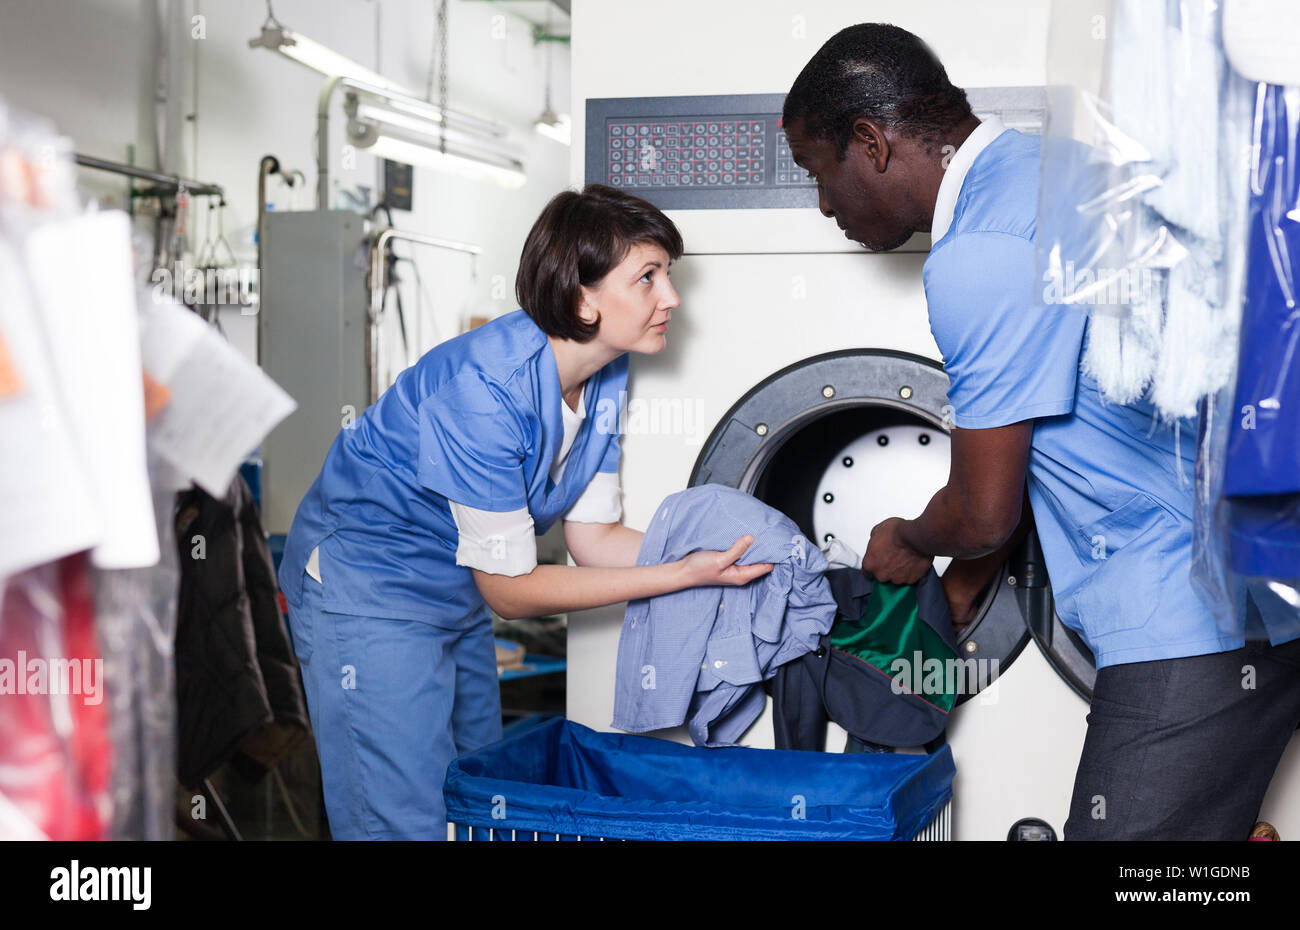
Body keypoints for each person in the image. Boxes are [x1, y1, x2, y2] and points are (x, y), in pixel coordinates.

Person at [781, 22, 1300, 840]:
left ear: (870, 142)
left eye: (819, 173)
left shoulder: (978, 253)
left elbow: (986, 509)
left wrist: (910, 538)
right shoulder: (1065, 175)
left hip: (1186, 618)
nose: (824, 204)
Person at [277, 184, 773, 840]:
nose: (671, 298)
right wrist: (681, 575)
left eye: (668, 276)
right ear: (581, 296)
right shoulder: (483, 392)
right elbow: (511, 593)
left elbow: (593, 538)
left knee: (484, 794)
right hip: (366, 595)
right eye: (648, 278)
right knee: (402, 823)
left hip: (456, 594)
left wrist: (721, 552)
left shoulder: (605, 371)